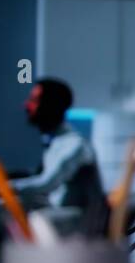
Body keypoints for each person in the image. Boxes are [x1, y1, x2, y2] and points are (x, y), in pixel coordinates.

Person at [11, 78, 106, 221]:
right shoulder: (56, 142)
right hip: (63, 215)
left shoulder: (74, 144)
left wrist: (1, 187)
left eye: (34, 100)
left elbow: (47, 183)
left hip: (80, 225)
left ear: (50, 106)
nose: (27, 105)